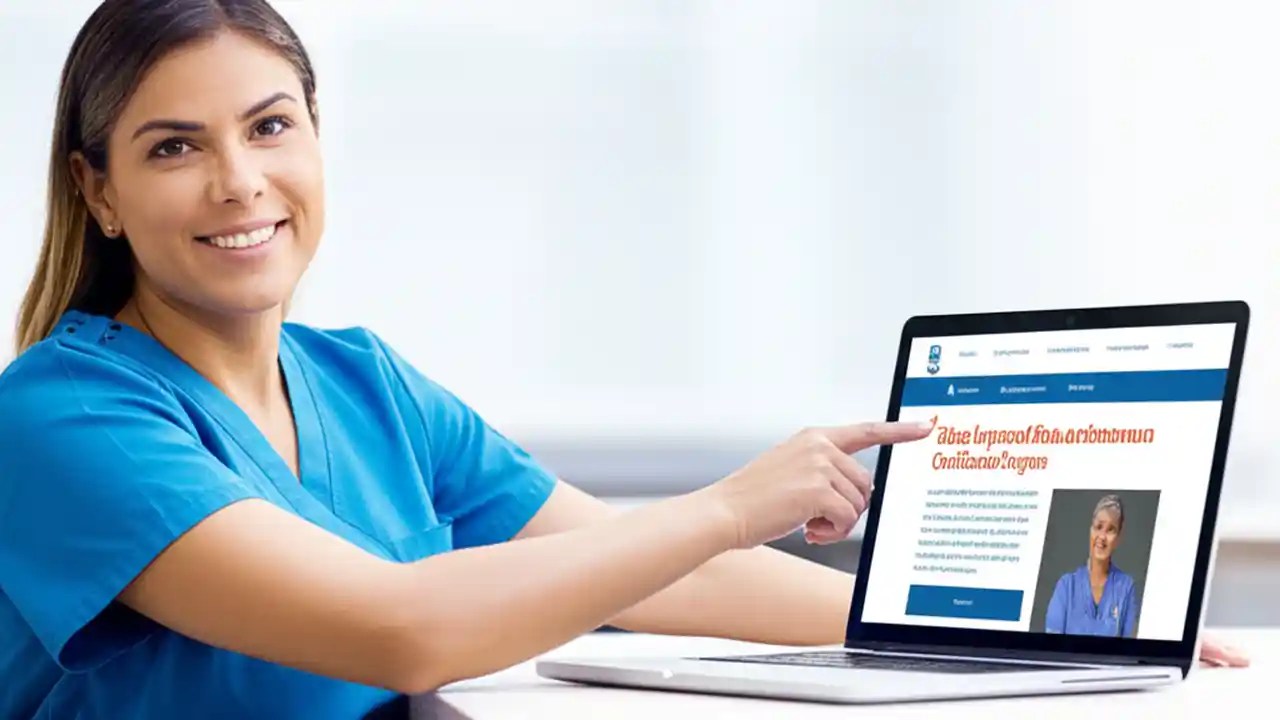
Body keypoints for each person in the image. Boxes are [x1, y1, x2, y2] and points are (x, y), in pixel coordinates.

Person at [0, 1, 1247, 717]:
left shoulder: (363, 382)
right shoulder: (61, 419)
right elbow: (394, 632)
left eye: (271, 127)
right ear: (97, 193)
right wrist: (725, 505)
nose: (239, 182)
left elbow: (631, 575)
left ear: (317, 142)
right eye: (174, 148)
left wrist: (1028, 634)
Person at [1045, 494, 1139, 637]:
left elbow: (1128, 651)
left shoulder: (1126, 588)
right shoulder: (1066, 586)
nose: (1102, 536)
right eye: (1099, 527)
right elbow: (1052, 649)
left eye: (1111, 529)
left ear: (1118, 538)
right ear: (1090, 530)